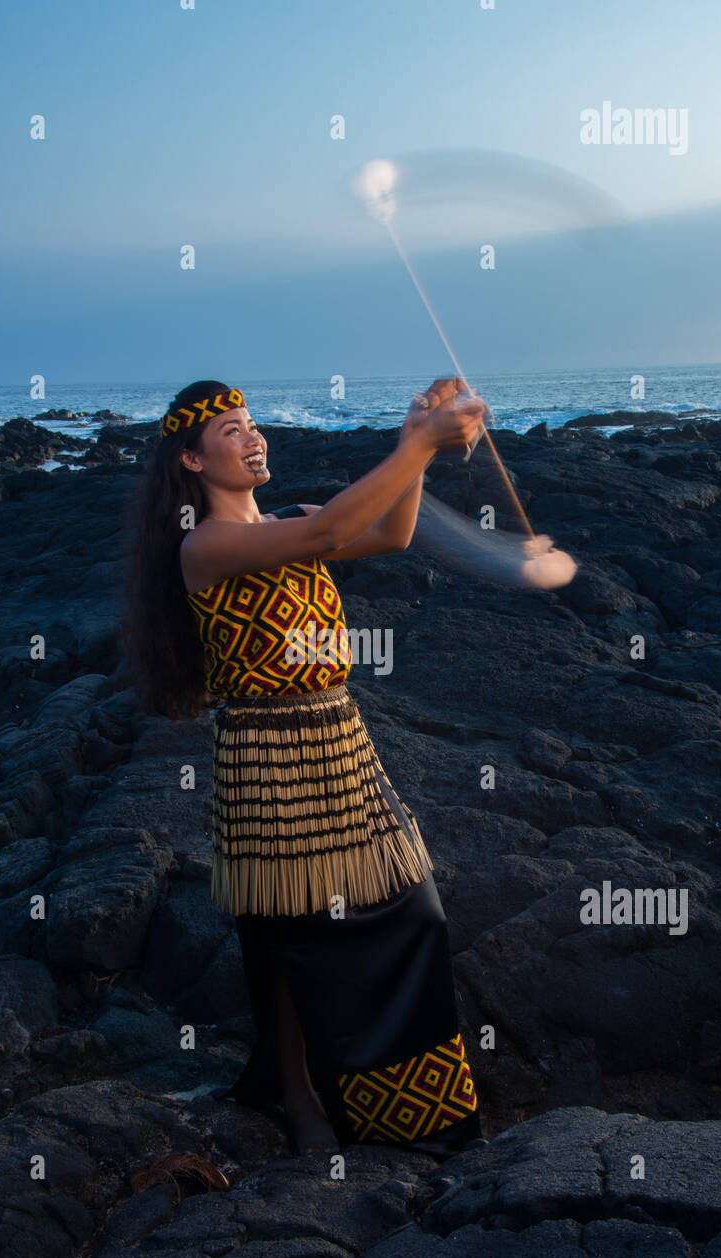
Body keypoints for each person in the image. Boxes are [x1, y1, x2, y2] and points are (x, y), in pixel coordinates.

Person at [124, 377, 485, 1157]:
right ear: (190, 459)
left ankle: (402, 1108)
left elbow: (386, 533)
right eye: (230, 431)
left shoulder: (291, 519)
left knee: (414, 909)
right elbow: (325, 541)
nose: (253, 438)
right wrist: (418, 442)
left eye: (253, 425)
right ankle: (297, 1096)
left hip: (342, 741)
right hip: (268, 753)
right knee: (289, 934)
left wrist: (412, 438)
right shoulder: (206, 546)